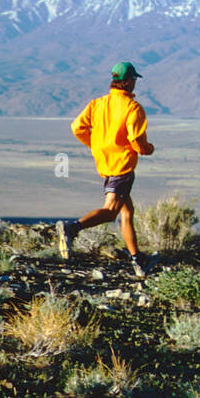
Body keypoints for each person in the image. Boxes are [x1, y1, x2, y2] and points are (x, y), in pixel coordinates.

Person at [55, 61, 155, 279]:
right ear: (128, 82)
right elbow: (136, 138)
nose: (135, 84)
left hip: (105, 163)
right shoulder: (132, 108)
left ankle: (138, 260)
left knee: (126, 212)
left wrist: (95, 143)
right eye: (134, 80)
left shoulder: (98, 103)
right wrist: (147, 149)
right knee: (111, 211)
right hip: (122, 165)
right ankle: (72, 228)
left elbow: (77, 127)